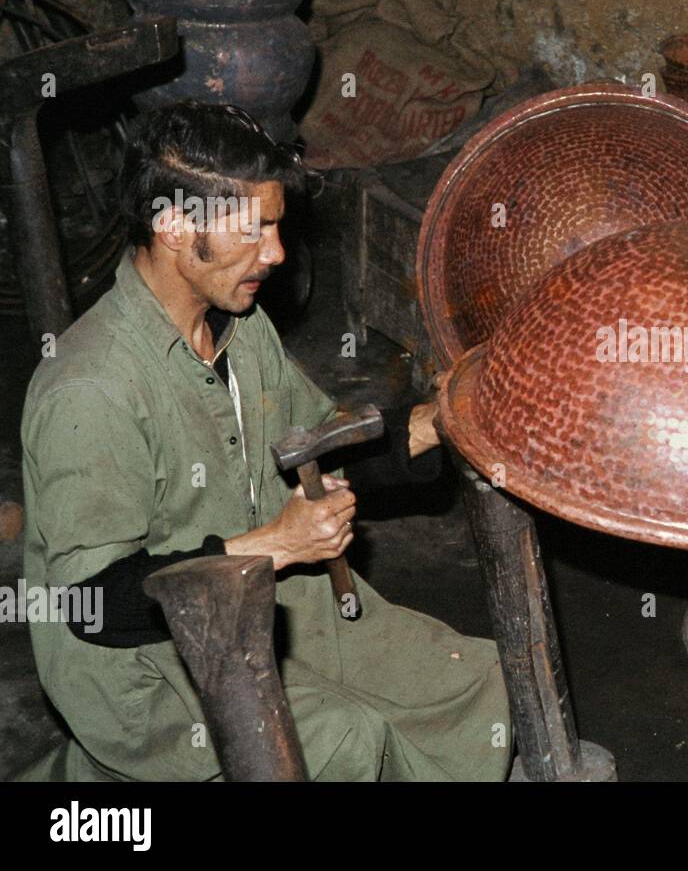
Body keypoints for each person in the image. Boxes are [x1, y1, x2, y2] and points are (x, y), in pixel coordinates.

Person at [19, 101, 511, 781]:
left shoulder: (242, 330)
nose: (277, 254)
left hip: (272, 607)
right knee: (343, 740)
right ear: (171, 226)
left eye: (276, 228)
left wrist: (441, 420)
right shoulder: (90, 388)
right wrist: (277, 544)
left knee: (482, 681)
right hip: (149, 670)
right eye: (253, 231)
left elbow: (316, 453)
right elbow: (90, 604)